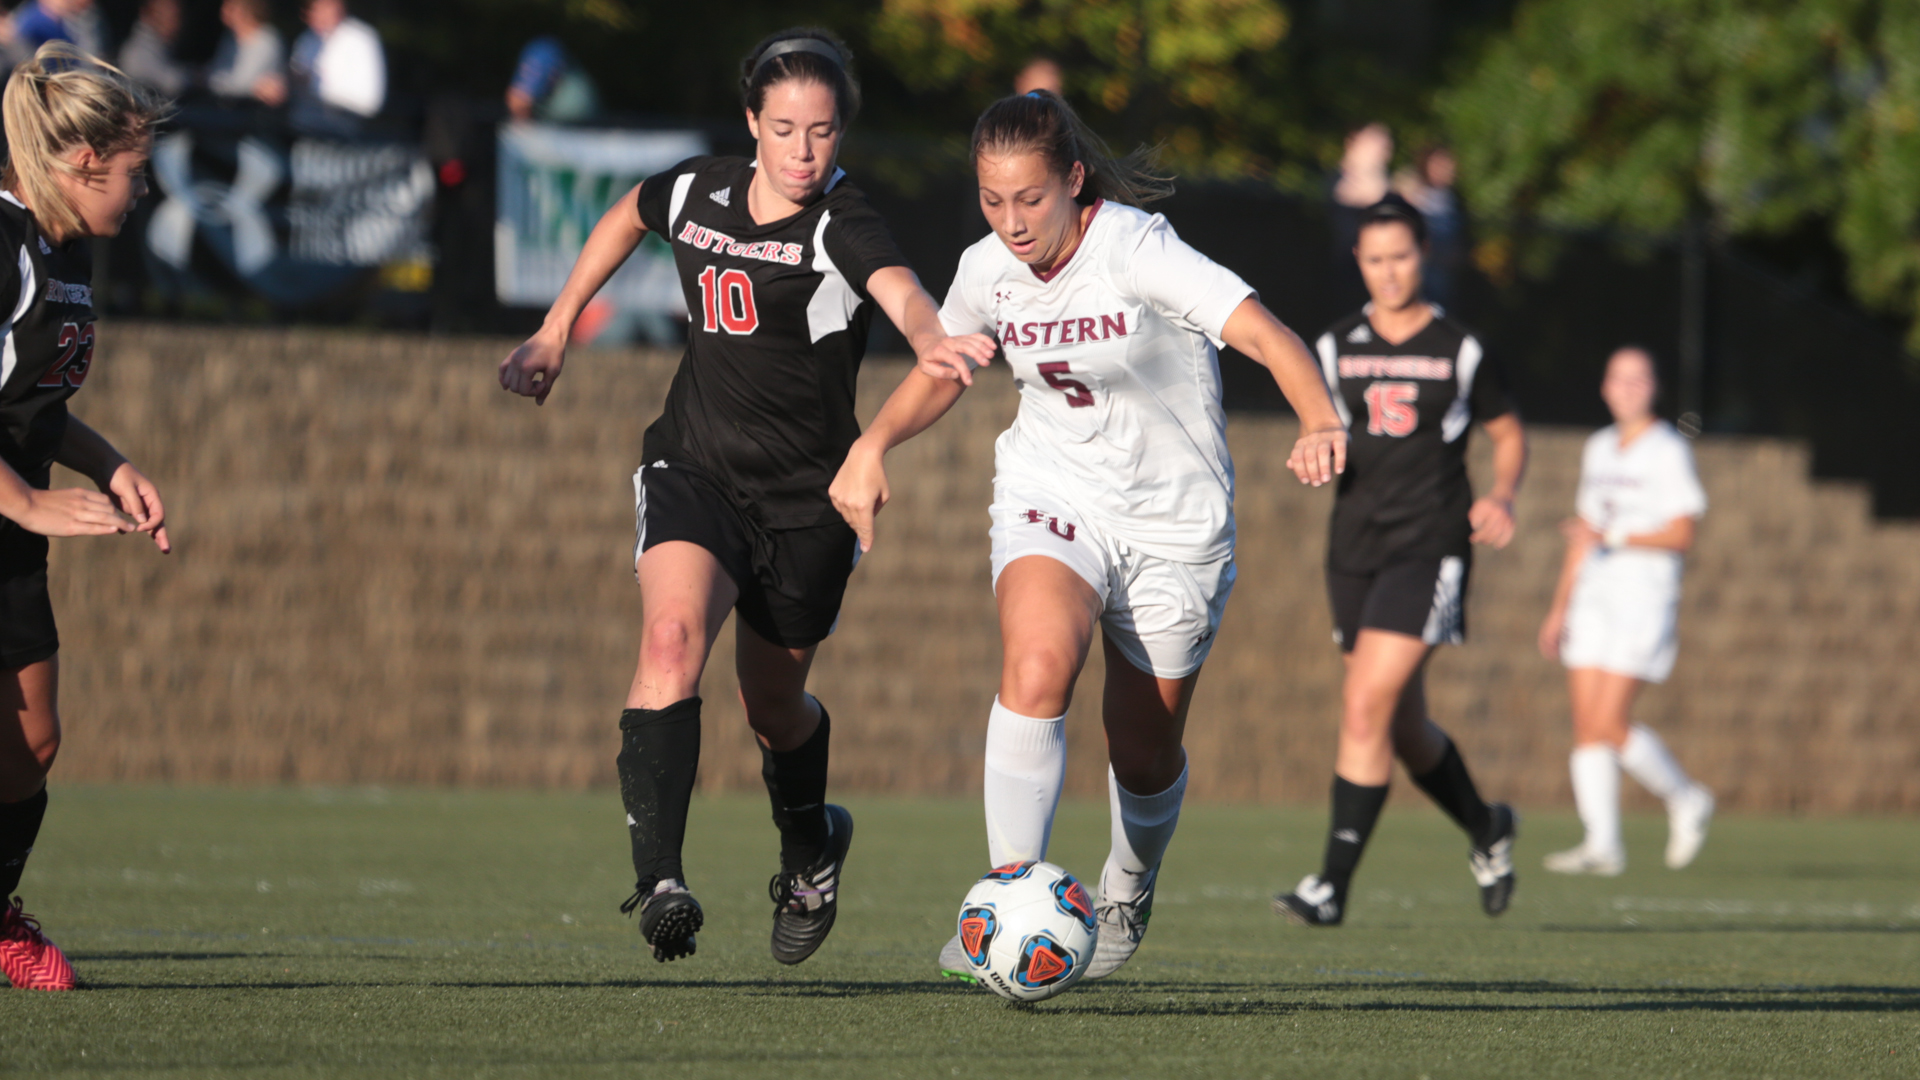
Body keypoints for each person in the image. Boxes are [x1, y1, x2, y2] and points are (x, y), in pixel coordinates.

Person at [497, 28, 997, 967]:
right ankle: (662, 883)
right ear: (750, 124)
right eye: (784, 130)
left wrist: (932, 337)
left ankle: (811, 842)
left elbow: (897, 285)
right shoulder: (698, 190)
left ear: (842, 132)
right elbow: (626, 214)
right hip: (696, 468)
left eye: (822, 132)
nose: (804, 152)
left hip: (808, 504)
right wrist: (557, 329)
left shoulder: (840, 221)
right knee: (669, 640)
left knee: (774, 708)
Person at [828, 90, 1349, 981]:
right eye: (993, 201)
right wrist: (872, 444)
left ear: (1073, 179)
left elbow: (1264, 332)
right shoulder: (986, 268)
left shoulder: (1136, 249)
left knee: (1143, 751)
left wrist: (1318, 418)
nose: (1012, 222)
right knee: (1036, 667)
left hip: (1175, 527)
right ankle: (1003, 900)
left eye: (1030, 198)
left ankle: (1128, 884)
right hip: (1054, 493)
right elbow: (945, 369)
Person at [1273, 194, 1527, 928]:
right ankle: (1486, 826)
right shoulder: (1333, 346)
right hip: (1353, 549)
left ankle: (1329, 886)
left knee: (1363, 705)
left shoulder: (1463, 349)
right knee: (1402, 724)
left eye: (1403, 256)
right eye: (1375, 258)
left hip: (1431, 546)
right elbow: (1316, 421)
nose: (1389, 272)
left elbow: (1508, 435)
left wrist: (1503, 495)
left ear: (1427, 256)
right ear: (1360, 261)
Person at [0, 42, 171, 992]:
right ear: (81, 163)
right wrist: (25, 499)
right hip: (6, 510)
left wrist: (111, 466)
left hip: (9, 532)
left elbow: (31, 406)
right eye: (134, 174)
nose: (141, 193)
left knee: (31, 748)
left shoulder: (63, 251)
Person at [1538, 346, 1714, 875]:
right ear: (1605, 387)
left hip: (1643, 599)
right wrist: (1558, 607)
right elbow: (1582, 535)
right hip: (1594, 596)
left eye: (1639, 379)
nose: (1628, 388)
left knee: (1609, 720)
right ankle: (1602, 845)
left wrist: (1613, 534)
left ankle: (1686, 797)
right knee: (1586, 725)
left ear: (1654, 387)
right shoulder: (1598, 448)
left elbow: (1682, 532)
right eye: (1619, 378)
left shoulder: (1667, 449)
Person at [288, 0, 383, 133]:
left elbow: (369, 101)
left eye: (321, 8)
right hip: (302, 122)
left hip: (345, 126)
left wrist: (318, 87)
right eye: (312, 9)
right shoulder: (306, 40)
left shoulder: (361, 39)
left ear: (338, 7)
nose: (315, 14)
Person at [206, 0, 287, 106]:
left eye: (229, 8)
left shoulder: (266, 41)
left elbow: (244, 83)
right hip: (227, 106)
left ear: (244, 11)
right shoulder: (229, 39)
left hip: (254, 112)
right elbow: (217, 70)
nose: (223, 11)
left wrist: (208, 80)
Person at [505, 36, 598, 124]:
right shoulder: (543, 52)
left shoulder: (575, 99)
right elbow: (519, 98)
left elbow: (520, 99)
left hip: (572, 127)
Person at [117, 0, 187, 97]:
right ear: (146, 14)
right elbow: (171, 84)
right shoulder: (137, 52)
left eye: (177, 16)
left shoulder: (165, 47)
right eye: (165, 14)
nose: (175, 22)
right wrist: (196, 77)